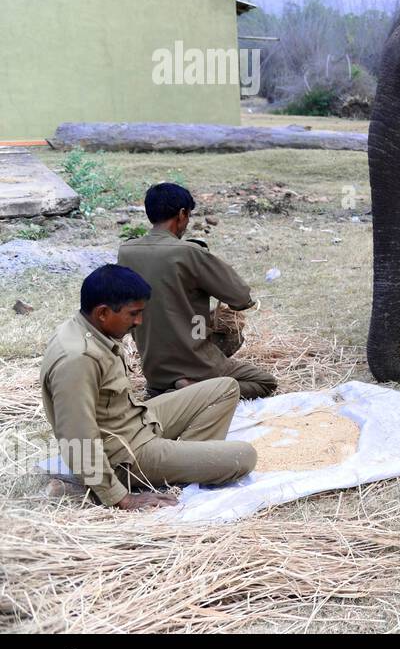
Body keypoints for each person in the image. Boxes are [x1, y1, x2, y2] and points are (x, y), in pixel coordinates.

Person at [40, 264, 257, 510]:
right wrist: (121, 498)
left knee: (225, 388)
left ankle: (177, 463)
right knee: (244, 456)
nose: (139, 321)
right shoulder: (77, 360)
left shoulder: (87, 327)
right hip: (125, 456)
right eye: (133, 314)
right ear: (102, 313)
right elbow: (76, 439)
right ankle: (155, 473)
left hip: (136, 421)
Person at [118, 182, 277, 399]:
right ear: (182, 214)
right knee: (264, 382)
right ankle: (196, 390)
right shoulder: (189, 252)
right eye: (189, 216)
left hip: (154, 370)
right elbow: (241, 297)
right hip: (195, 363)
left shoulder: (126, 251)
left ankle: (166, 390)